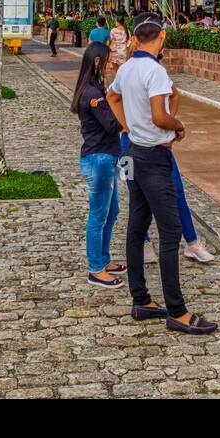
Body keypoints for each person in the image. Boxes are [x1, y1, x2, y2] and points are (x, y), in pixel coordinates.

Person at [106, 16, 219, 335]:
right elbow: (160, 115)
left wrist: (126, 124)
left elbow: (113, 96)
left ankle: (141, 299)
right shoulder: (154, 70)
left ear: (137, 38)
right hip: (154, 157)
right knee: (170, 232)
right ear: (161, 36)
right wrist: (178, 125)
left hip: (132, 153)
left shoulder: (127, 67)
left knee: (136, 225)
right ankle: (178, 311)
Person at [73, 42, 125, 288]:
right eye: (107, 59)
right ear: (97, 62)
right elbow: (112, 125)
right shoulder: (93, 94)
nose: (111, 62)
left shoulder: (95, 88)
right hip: (99, 159)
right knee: (98, 215)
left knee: (111, 212)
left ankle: (104, 259)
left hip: (107, 156)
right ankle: (95, 268)